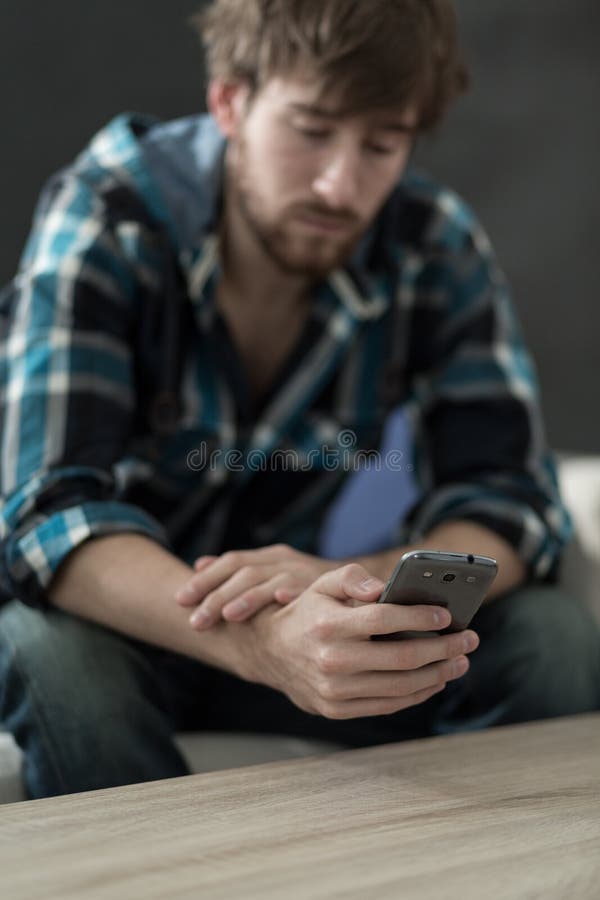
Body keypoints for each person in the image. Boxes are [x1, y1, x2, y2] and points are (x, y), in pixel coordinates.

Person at [0, 0, 598, 800]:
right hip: (129, 625)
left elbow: (511, 497)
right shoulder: (110, 216)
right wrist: (259, 641)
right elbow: (48, 515)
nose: (339, 186)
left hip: (310, 613)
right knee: (49, 650)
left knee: (549, 638)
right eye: (312, 130)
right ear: (229, 101)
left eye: (382, 145)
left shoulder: (432, 242)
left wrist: (349, 583)